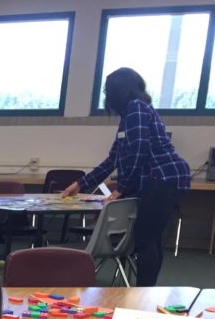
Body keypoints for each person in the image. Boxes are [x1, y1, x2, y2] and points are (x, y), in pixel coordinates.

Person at [61, 67, 190, 286]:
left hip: (162, 178)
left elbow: (138, 151)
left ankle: (144, 292)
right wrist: (80, 184)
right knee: (149, 239)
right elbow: (113, 159)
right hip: (161, 178)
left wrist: (121, 188)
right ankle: (146, 290)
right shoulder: (131, 115)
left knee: (146, 238)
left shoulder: (137, 109)